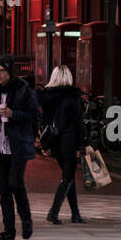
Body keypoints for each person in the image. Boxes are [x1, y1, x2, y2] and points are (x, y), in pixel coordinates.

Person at [0, 56, 40, 240]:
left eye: (1, 71)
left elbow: (33, 116)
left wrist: (13, 114)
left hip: (17, 148)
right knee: (4, 192)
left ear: (9, 72)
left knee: (15, 184)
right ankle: (8, 231)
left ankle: (26, 220)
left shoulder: (24, 91)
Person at [39, 65, 86, 224]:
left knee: (69, 176)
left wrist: (45, 144)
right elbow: (78, 123)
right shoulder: (73, 97)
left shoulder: (46, 97)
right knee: (67, 177)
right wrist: (83, 144)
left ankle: (75, 214)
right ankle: (53, 212)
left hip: (54, 141)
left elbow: (44, 122)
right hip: (69, 142)